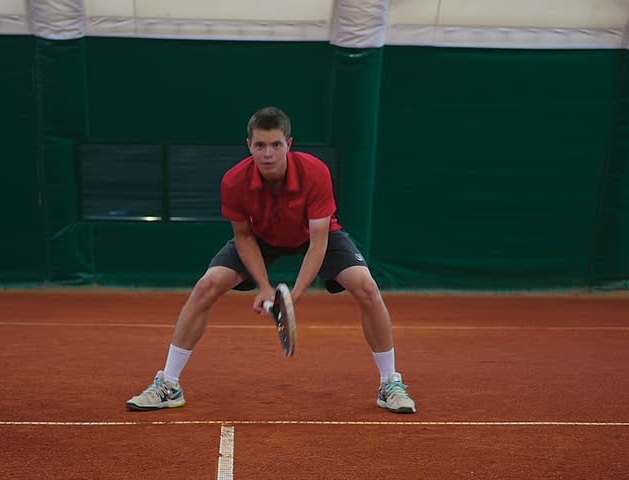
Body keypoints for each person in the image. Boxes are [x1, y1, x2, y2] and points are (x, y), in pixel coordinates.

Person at [126, 106, 416, 414]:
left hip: (314, 234)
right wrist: (264, 288)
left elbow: (319, 242)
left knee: (367, 287)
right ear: (249, 145)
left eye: (276, 145)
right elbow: (244, 236)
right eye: (260, 145)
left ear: (289, 144)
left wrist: (296, 295)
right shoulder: (234, 182)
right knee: (206, 286)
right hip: (261, 237)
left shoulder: (315, 172)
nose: (268, 153)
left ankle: (389, 383)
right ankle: (169, 384)